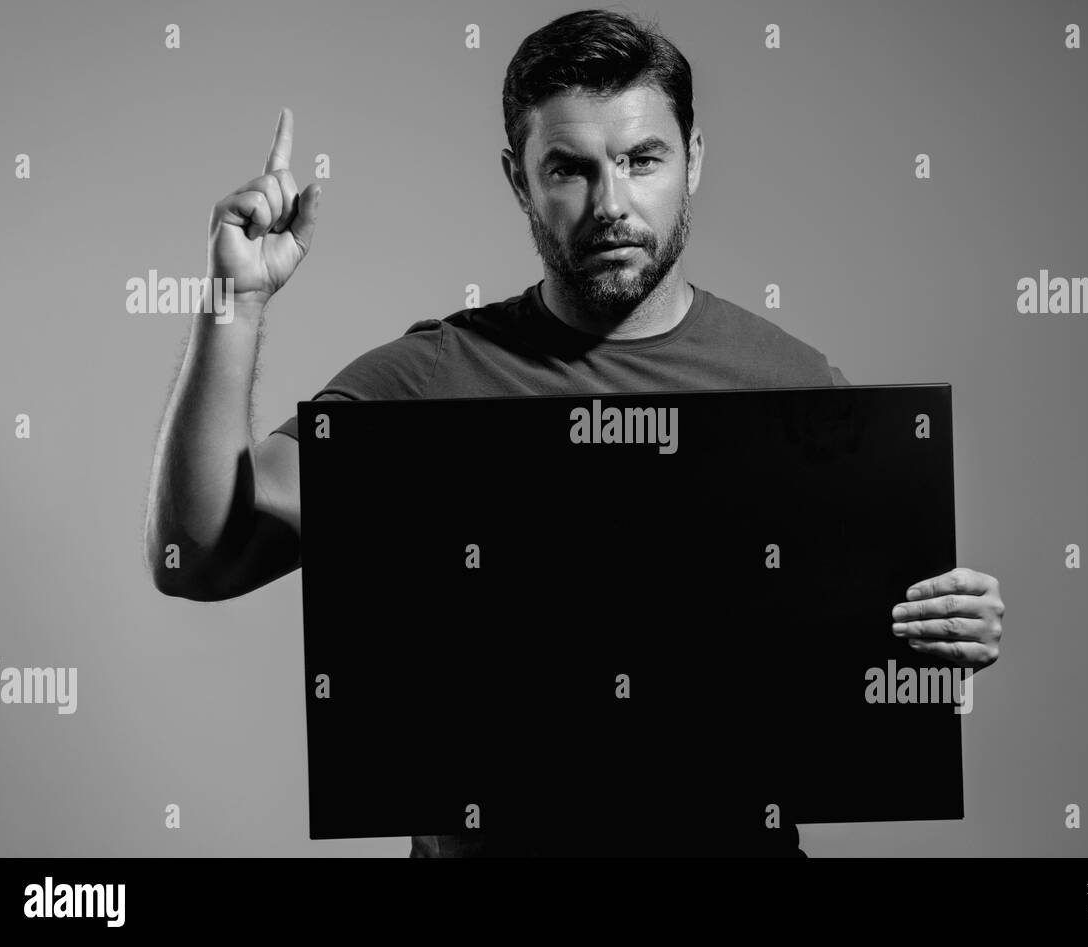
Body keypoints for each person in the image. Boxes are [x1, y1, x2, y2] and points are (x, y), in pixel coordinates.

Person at [144, 8, 1005, 858]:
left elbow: (865, 684)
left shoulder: (794, 388)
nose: (612, 204)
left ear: (693, 162)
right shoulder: (424, 382)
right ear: (520, 179)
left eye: (642, 159)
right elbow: (200, 555)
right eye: (571, 169)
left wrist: (942, 646)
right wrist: (237, 303)